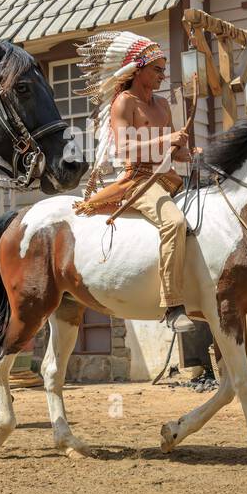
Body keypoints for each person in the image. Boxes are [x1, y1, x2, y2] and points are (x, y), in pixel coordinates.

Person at [72, 32, 199, 333]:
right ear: (138, 69)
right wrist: (168, 138)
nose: (162, 75)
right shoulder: (123, 103)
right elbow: (125, 149)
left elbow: (173, 153)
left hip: (167, 176)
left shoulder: (163, 105)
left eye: (164, 70)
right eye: (157, 69)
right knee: (174, 223)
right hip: (139, 180)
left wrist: (189, 154)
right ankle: (172, 304)